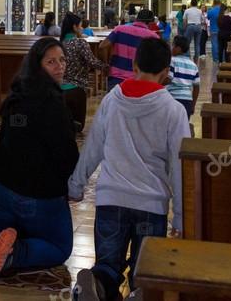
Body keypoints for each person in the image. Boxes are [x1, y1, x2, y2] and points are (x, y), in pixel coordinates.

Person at [69, 39, 190, 301]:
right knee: (143, 271)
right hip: (151, 204)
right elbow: (179, 165)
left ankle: (98, 284)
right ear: (166, 72)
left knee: (107, 264)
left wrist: (76, 184)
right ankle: (140, 293)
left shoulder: (112, 100)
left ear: (134, 65)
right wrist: (181, 216)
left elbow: (94, 146)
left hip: (111, 199)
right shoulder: (174, 110)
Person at [0, 38, 79, 282]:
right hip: (33, 197)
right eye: (51, 62)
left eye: (62, 60)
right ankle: (14, 254)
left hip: (0, 192)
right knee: (59, 248)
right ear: (38, 66)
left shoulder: (16, 97)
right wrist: (67, 188)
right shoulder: (52, 103)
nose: (60, 66)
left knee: (17, 230)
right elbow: (67, 157)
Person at [60, 12, 109, 131]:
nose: (82, 28)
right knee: (78, 127)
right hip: (77, 89)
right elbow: (92, 62)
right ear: (74, 27)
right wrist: (107, 67)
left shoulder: (59, 44)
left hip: (60, 90)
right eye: (80, 26)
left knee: (63, 126)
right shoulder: (80, 43)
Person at [98, 8, 160, 92]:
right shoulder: (153, 37)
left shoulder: (119, 29)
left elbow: (102, 46)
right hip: (139, 79)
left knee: (114, 100)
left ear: (137, 19)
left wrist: (106, 64)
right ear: (150, 23)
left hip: (116, 77)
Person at [166, 35, 200, 123]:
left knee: (169, 125)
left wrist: (157, 82)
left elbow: (168, 79)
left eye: (173, 46)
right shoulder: (193, 65)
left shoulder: (172, 61)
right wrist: (193, 105)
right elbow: (196, 87)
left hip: (172, 98)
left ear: (178, 48)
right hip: (187, 100)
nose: (171, 48)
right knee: (183, 125)